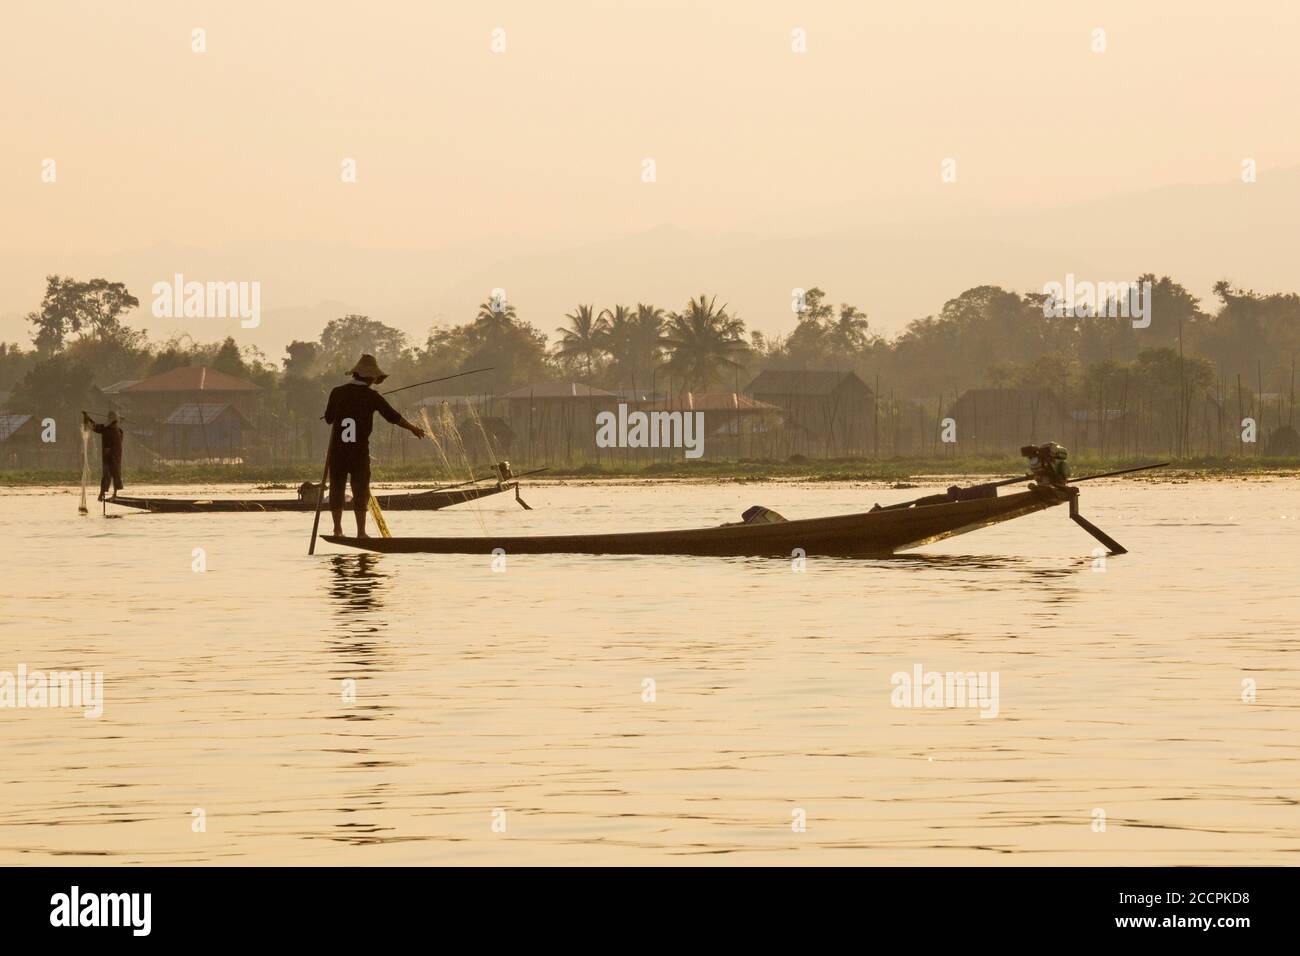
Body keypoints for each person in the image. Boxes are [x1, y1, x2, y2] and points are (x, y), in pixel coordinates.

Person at [322, 354, 425, 537]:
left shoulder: (337, 392)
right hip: (358, 451)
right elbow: (393, 416)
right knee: (360, 489)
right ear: (371, 378)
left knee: (337, 487)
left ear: (355, 374)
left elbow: (329, 419)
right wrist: (412, 428)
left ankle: (337, 529)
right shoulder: (372, 396)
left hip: (338, 450)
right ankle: (361, 532)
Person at [83, 410, 125, 500]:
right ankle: (108, 493)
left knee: (111, 474)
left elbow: (95, 427)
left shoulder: (110, 430)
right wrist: (87, 417)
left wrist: (87, 418)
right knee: (113, 474)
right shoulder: (118, 430)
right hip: (115, 456)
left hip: (111, 456)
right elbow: (95, 426)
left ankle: (107, 494)